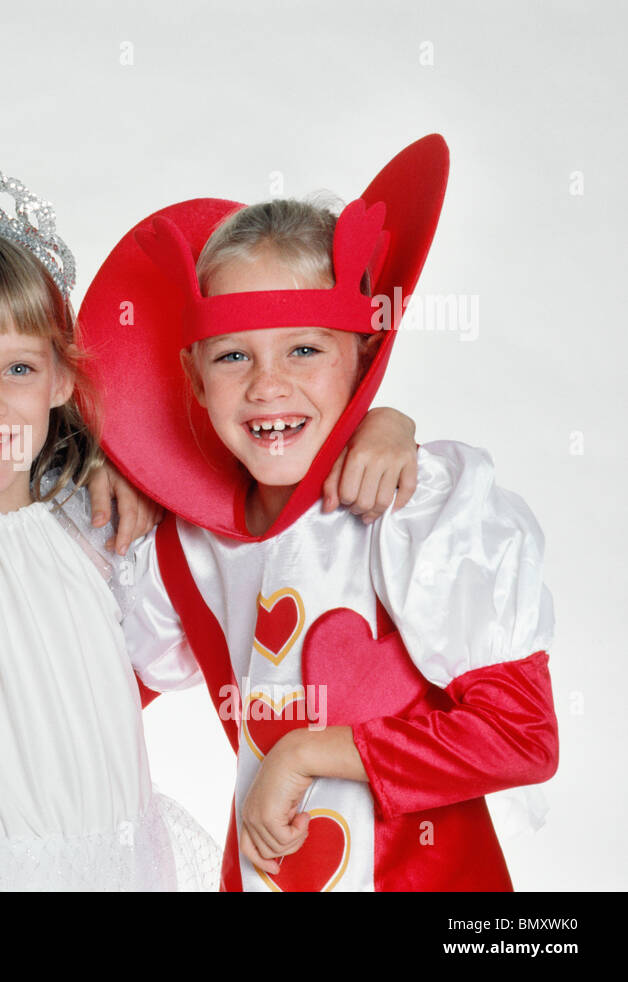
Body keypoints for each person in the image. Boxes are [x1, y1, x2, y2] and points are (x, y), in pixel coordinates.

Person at [0, 131, 422, 890]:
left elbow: (261, 457)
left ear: (60, 378)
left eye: (19, 368)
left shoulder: (98, 519)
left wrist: (383, 421)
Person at [81, 135, 559, 891]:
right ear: (193, 379)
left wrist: (304, 751)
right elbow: (79, 690)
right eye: (234, 355)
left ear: (362, 356)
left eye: (304, 349)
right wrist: (118, 460)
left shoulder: (411, 506)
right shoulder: (182, 551)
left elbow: (521, 737)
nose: (268, 385)